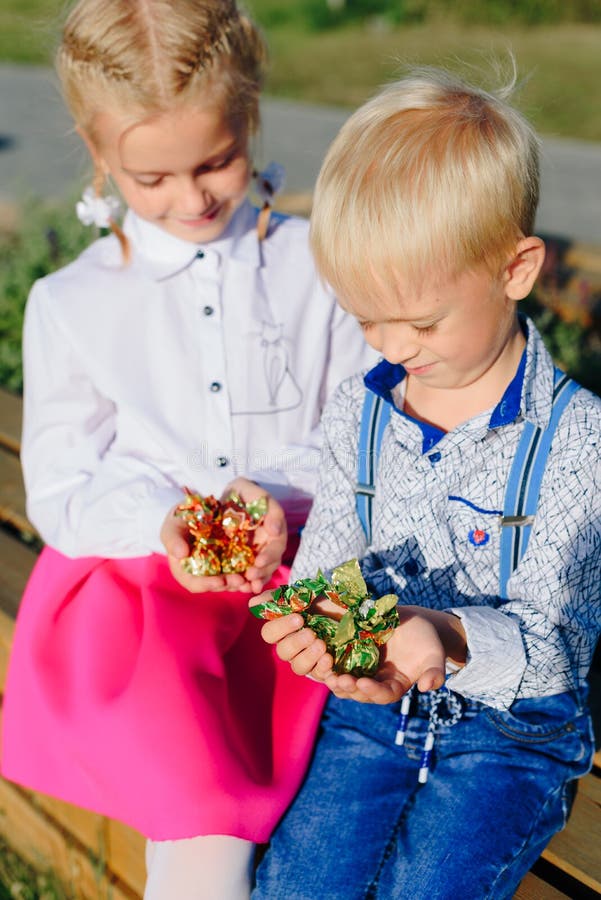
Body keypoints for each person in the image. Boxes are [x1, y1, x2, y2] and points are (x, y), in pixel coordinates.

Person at [0, 2, 374, 898]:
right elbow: (60, 488)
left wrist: (279, 493)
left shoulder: (318, 265)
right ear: (100, 156)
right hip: (148, 604)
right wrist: (165, 518)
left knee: (353, 789)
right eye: (152, 177)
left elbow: (366, 431)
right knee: (199, 806)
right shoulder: (72, 301)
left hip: (310, 574)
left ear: (249, 118)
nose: (193, 196)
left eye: (215, 161)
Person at [251, 67, 601, 899]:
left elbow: (558, 647)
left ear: (515, 269)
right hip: (374, 713)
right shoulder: (359, 413)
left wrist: (444, 633)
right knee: (297, 883)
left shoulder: (574, 436)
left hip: (509, 737)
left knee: (427, 887)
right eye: (364, 317)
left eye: (418, 322)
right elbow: (330, 564)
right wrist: (326, 632)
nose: (390, 345)